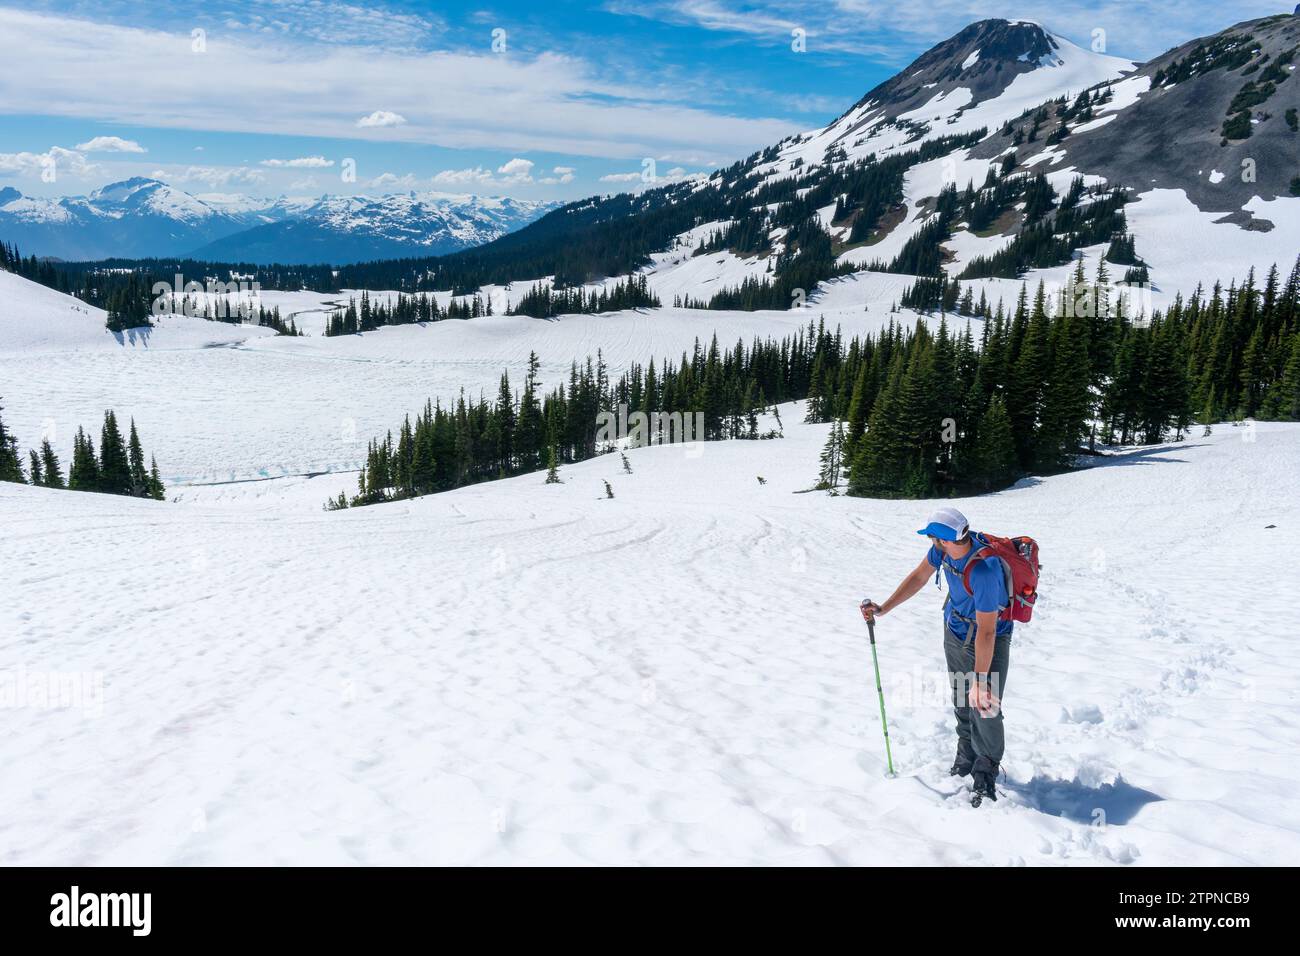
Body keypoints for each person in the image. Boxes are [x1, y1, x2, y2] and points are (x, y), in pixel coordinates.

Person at [860, 506, 1012, 805]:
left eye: (932, 538)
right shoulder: (943, 552)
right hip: (955, 632)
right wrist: (886, 607)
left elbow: (987, 632)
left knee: (985, 704)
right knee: (961, 694)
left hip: (987, 639)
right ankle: (966, 752)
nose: (931, 542)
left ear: (944, 539)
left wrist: (981, 679)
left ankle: (986, 769)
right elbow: (919, 576)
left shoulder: (984, 569)